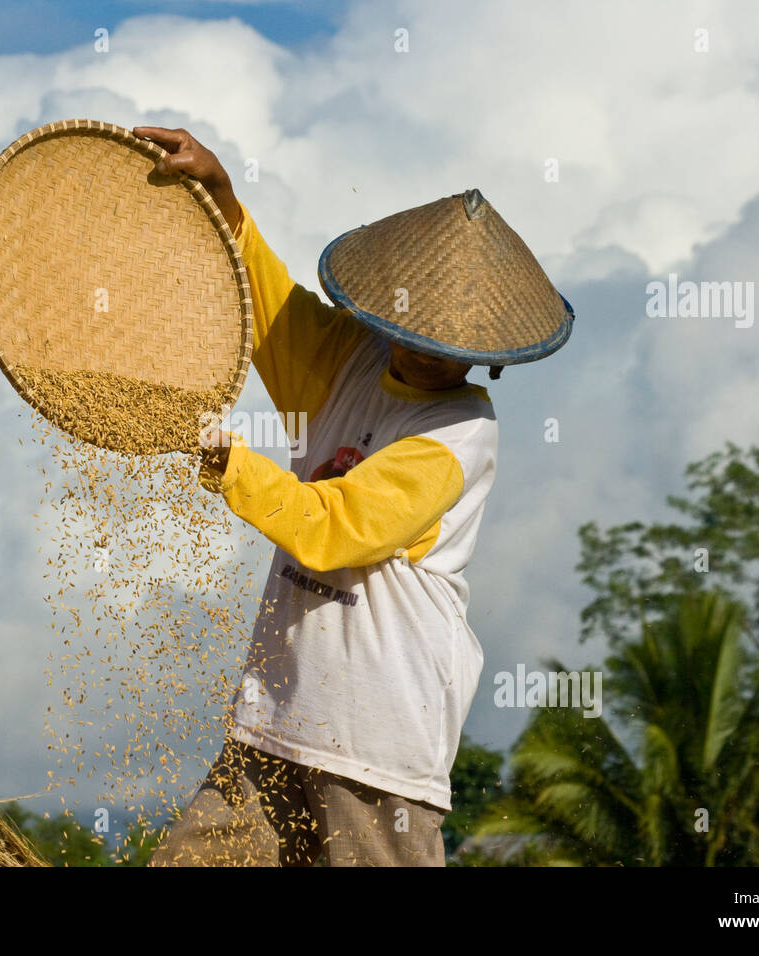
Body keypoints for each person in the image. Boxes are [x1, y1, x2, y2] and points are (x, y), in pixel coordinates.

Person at [133, 126, 574, 866]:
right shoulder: (348, 358)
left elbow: (334, 530)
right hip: (274, 724)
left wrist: (224, 456)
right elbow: (269, 312)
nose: (423, 351)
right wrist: (220, 197)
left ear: (489, 362)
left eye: (449, 346)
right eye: (412, 329)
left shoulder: (458, 435)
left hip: (377, 752)